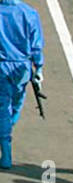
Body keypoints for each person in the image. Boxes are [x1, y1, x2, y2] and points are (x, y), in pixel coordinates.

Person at [0, 0, 43, 170]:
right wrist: (39, 67)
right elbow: (36, 45)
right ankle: (6, 133)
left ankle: (6, 147)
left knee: (3, 107)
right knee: (16, 103)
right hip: (22, 67)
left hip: (2, 65)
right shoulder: (29, 12)